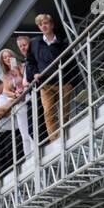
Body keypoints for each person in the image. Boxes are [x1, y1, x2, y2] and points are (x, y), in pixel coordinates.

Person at [26, 13, 71, 143]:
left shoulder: (62, 40)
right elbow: (30, 62)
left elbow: (69, 58)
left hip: (63, 81)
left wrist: (72, 81)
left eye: (45, 23)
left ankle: (64, 133)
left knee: (64, 110)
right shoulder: (34, 43)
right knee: (48, 113)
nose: (43, 26)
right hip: (45, 84)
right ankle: (54, 139)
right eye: (40, 24)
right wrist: (34, 74)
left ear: (51, 24)